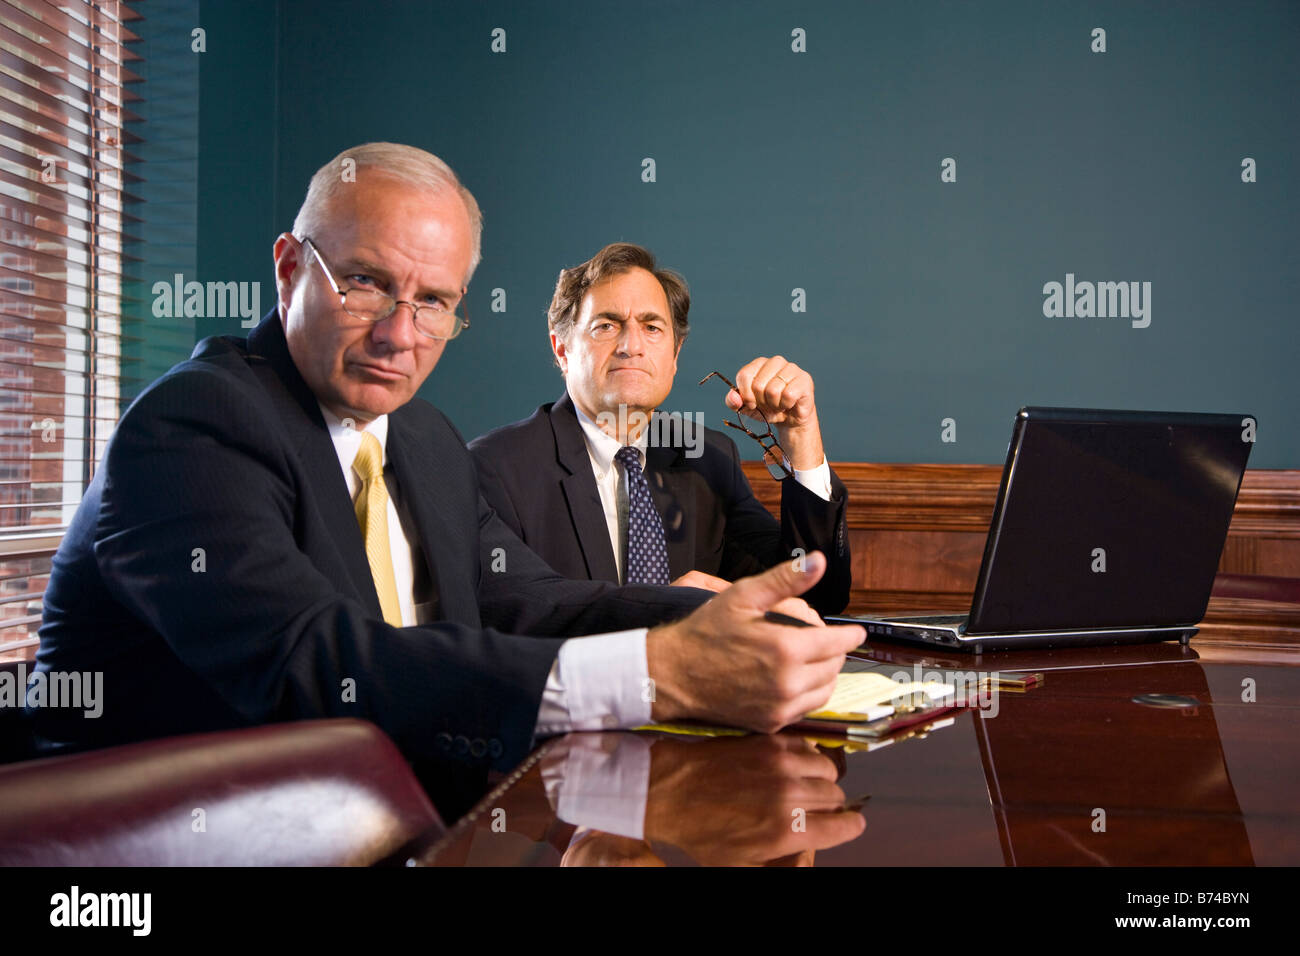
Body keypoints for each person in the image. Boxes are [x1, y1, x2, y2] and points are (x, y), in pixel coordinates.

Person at [31, 143, 865, 774]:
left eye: (434, 301)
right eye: (364, 283)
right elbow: (312, 665)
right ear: (289, 271)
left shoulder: (422, 435)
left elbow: (524, 601)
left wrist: (706, 624)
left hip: (399, 805)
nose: (401, 333)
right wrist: (655, 673)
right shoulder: (193, 423)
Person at [469, 242, 851, 615]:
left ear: (675, 354)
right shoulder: (495, 468)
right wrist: (662, 609)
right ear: (562, 350)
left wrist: (800, 436)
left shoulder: (708, 459)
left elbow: (816, 596)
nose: (631, 346)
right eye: (606, 325)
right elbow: (514, 616)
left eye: (652, 327)